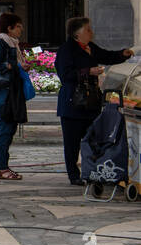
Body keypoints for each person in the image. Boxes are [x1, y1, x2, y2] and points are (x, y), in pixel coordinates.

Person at [55, 15, 134, 186]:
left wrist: (123, 54)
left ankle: (92, 170)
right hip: (73, 104)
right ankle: (74, 175)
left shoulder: (89, 47)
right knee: (72, 142)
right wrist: (88, 71)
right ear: (77, 34)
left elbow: (106, 56)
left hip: (91, 103)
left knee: (93, 139)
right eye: (88, 30)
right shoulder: (66, 50)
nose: (91, 33)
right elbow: (65, 75)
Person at [0, 12, 28, 180]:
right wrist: (14, 65)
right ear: (9, 28)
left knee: (9, 129)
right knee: (4, 130)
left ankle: (3, 166)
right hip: (5, 93)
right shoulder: (1, 43)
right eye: (18, 26)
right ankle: (0, 167)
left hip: (13, 91)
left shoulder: (13, 44)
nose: (21, 29)